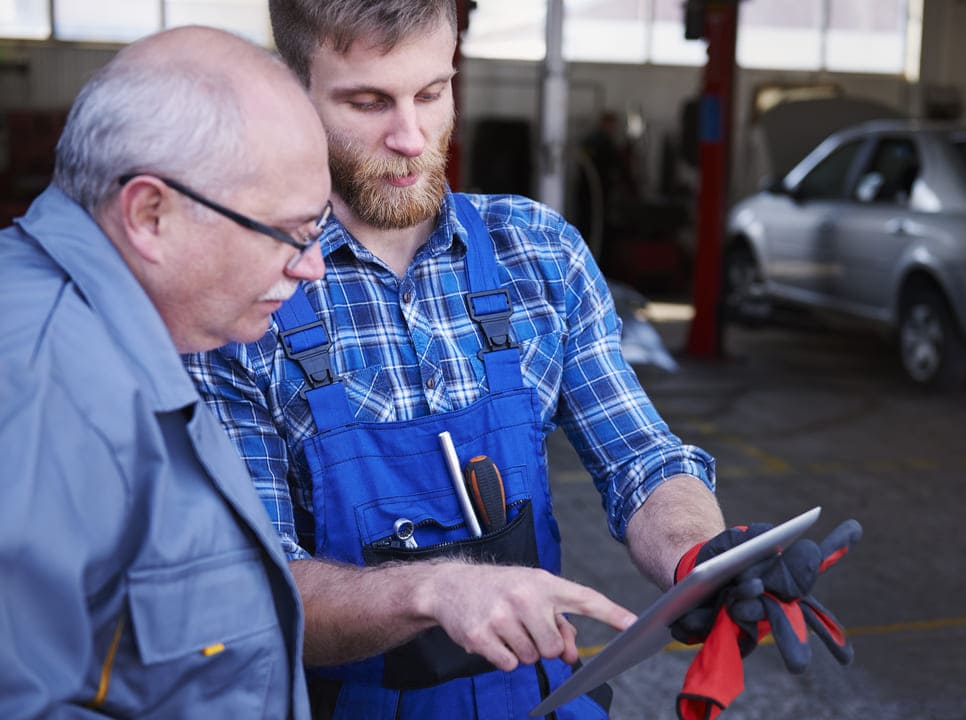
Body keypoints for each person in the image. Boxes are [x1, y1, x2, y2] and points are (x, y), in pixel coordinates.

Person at [185, 2, 849, 718]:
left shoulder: (537, 254)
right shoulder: (243, 296)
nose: (411, 137)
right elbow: (258, 588)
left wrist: (701, 560)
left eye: (432, 93)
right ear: (293, 95)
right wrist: (436, 592)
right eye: (368, 101)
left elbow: (639, 459)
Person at [0, 25, 333, 717]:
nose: (312, 267)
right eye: (290, 234)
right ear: (150, 213)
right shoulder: (39, 389)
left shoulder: (119, 341)